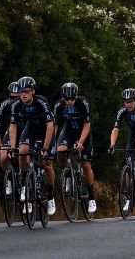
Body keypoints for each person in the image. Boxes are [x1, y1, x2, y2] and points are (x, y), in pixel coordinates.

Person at [9, 76, 56, 216]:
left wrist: (46, 148)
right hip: (31, 129)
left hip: (46, 131)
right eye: (20, 91)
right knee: (22, 151)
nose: (23, 94)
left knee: (47, 165)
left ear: (33, 92)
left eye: (26, 91)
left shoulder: (41, 101)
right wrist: (12, 147)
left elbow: (50, 125)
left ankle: (51, 195)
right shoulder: (16, 104)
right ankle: (24, 183)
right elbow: (12, 127)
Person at [52, 82, 97, 213]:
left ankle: (91, 198)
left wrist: (81, 142)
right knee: (60, 150)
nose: (70, 101)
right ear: (62, 97)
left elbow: (87, 125)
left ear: (76, 96)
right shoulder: (59, 105)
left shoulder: (83, 103)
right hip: (69, 131)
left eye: (72, 98)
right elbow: (55, 126)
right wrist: (52, 142)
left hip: (83, 132)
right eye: (67, 99)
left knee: (86, 165)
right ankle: (67, 174)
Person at [0, 81, 20, 195]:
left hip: (26, 129)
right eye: (12, 97)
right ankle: (9, 178)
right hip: (11, 130)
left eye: (17, 97)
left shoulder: (25, 103)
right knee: (3, 157)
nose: (14, 100)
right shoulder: (5, 104)